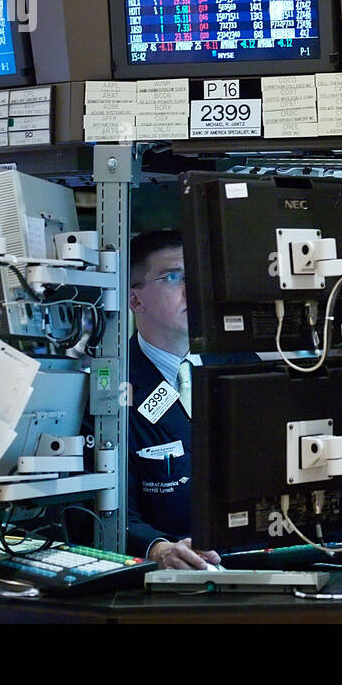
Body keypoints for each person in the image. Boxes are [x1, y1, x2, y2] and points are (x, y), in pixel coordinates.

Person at [125, 230, 220, 570]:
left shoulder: (240, 366)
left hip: (255, 558)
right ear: (136, 300)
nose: (191, 289)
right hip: (175, 577)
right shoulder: (112, 392)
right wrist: (158, 549)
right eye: (174, 277)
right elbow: (110, 512)